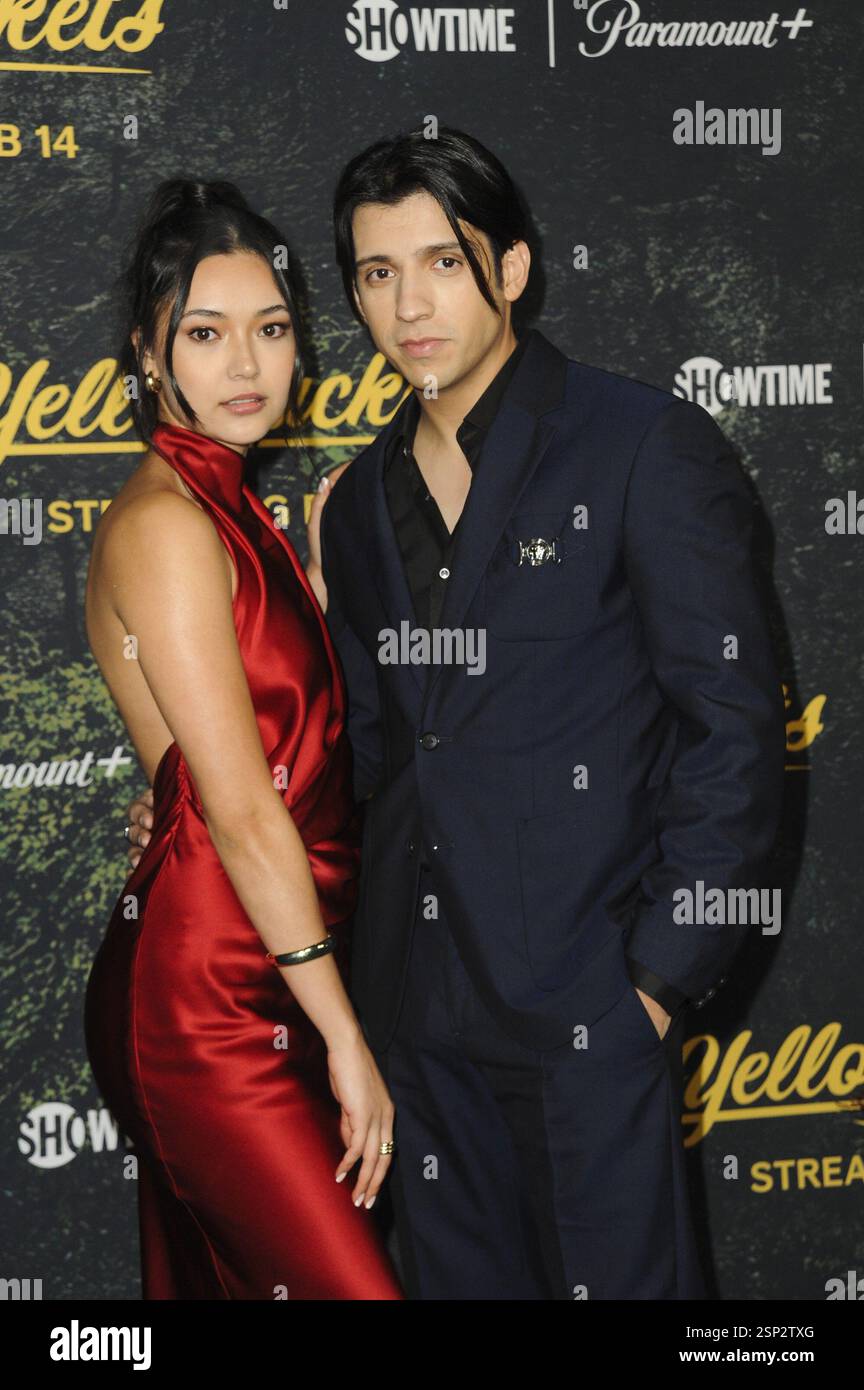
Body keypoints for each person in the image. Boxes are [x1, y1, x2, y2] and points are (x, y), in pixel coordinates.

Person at [127, 128, 786, 1300]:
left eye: (441, 261)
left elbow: (732, 731)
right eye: (376, 274)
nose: (409, 304)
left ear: (514, 269)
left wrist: (658, 984)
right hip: (414, 1029)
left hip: (591, 1015)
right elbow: (368, 755)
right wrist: (184, 803)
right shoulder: (360, 503)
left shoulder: (642, 446)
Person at [84, 178, 403, 1300]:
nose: (246, 364)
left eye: (270, 330)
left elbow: (255, 753)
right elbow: (241, 806)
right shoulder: (168, 524)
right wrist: (345, 1037)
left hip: (262, 972)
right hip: (208, 1006)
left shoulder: (240, 514)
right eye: (206, 334)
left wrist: (314, 601)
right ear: (150, 350)